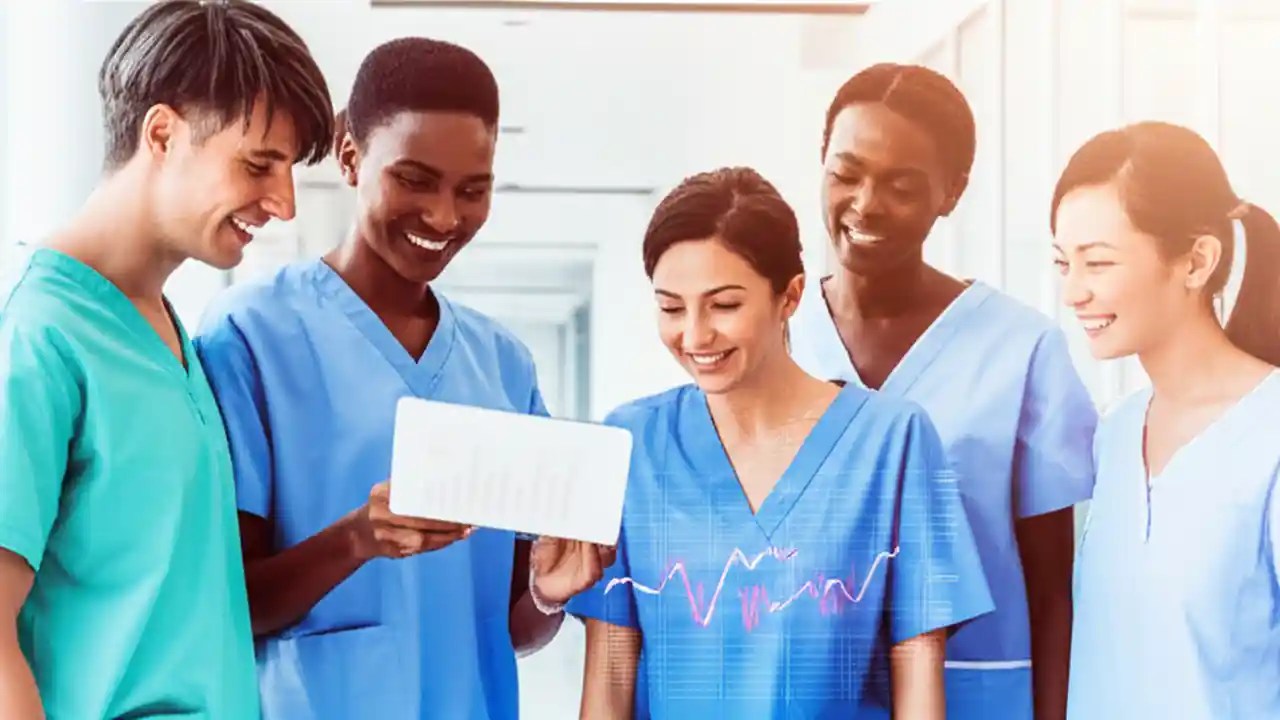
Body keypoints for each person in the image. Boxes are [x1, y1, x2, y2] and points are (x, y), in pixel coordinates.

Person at [195, 37, 609, 720]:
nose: (445, 217)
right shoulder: (250, 335)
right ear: (350, 154)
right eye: (414, 180)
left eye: (472, 191)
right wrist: (359, 538)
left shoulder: (502, 365)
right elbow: (227, 609)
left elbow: (508, 630)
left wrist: (548, 596)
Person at [559, 167, 994, 719]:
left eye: (724, 305)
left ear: (789, 296)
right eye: (671, 307)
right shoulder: (631, 445)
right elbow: (610, 671)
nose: (694, 335)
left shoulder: (892, 442)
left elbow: (918, 669)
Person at [0, 2, 333, 718]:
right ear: (162, 133)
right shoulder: (42, 337)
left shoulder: (170, 333)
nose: (283, 203)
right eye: (259, 164)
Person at [787, 63, 1097, 720]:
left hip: (977, 697)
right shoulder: (774, 338)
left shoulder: (1020, 350)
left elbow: (1052, 593)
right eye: (845, 174)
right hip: (807, 694)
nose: (865, 204)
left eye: (901, 186)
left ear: (951, 192)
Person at [1056, 121, 1280, 719]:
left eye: (1096, 263)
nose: (1073, 292)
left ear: (1196, 260)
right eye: (1063, 264)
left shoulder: (1271, 438)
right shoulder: (1117, 432)